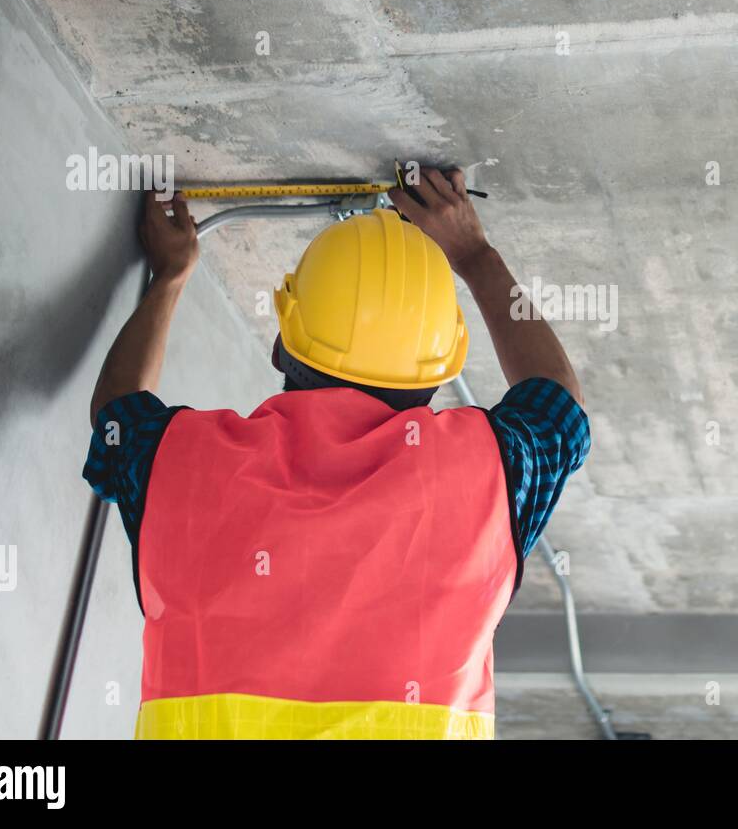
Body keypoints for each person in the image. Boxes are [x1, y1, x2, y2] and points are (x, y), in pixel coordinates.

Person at [83, 166, 588, 739]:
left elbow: (117, 416)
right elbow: (115, 417)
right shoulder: (489, 476)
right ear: (440, 370)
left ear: (281, 345)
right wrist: (170, 276)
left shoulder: (182, 464)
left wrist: (472, 251)